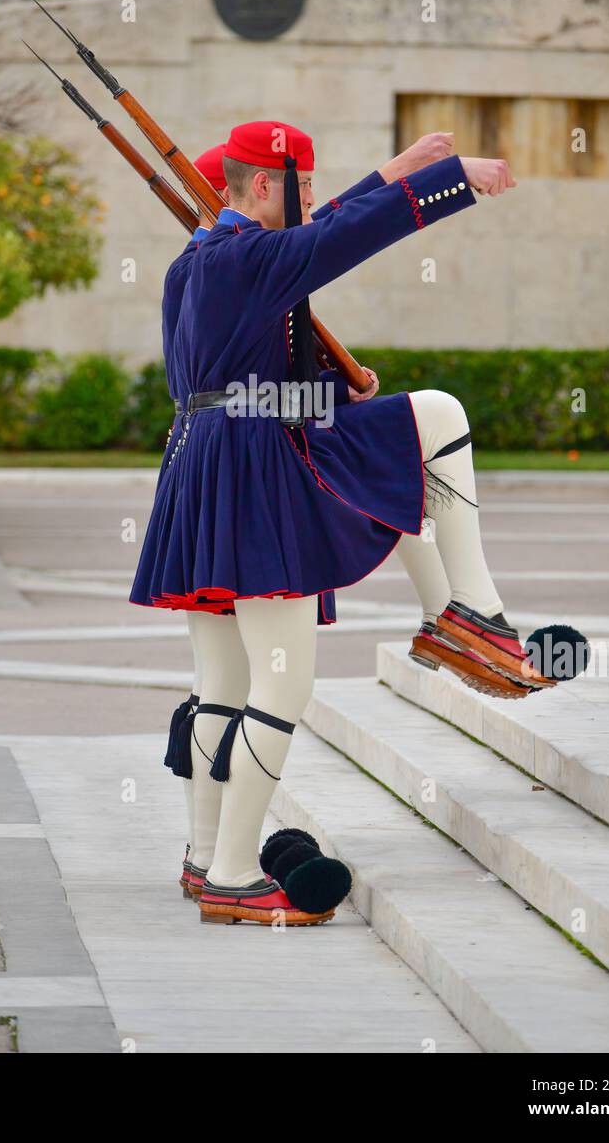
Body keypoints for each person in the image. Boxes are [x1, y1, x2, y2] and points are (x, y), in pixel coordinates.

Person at [131, 120, 547, 926]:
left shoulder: (200, 261)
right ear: (262, 188)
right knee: (283, 680)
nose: (314, 200)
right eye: (303, 184)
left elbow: (311, 245)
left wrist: (394, 167)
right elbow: (344, 236)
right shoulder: (249, 260)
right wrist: (452, 177)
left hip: (208, 461)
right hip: (253, 473)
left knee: (223, 682)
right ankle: (233, 874)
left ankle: (202, 852)